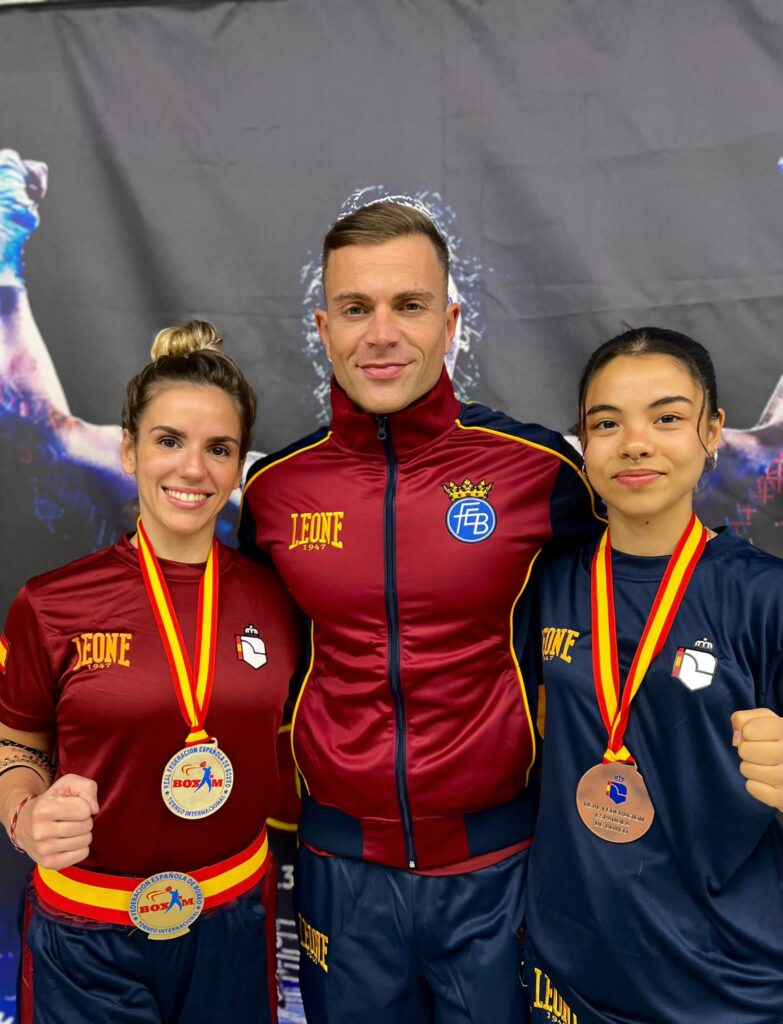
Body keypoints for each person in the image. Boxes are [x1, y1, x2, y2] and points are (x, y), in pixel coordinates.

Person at [239, 201, 604, 1023]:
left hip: (500, 863)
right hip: (339, 868)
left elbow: (650, 583)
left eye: (407, 305)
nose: (381, 334)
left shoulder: (537, 471)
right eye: (357, 309)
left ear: (451, 321)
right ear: (323, 326)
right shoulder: (273, 492)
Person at [0, 320, 302, 1024]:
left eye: (217, 449)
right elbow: (15, 743)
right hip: (87, 935)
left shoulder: (279, 597)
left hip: (232, 922)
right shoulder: (51, 604)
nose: (192, 469)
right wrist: (24, 815)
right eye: (169, 441)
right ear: (131, 450)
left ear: (236, 467)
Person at [524, 327, 783, 1024]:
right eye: (605, 423)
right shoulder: (540, 586)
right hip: (566, 982)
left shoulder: (764, 598)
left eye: (666, 417)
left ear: (712, 432)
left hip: (726, 990)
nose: (634, 442)